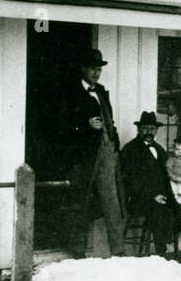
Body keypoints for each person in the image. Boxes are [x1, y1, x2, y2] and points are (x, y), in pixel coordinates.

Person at [57, 48, 127, 257]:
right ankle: (77, 250)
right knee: (81, 202)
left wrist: (113, 141)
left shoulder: (102, 91)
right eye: (92, 69)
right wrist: (84, 125)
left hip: (106, 152)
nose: (96, 73)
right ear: (83, 70)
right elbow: (61, 127)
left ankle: (118, 250)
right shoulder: (71, 93)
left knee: (112, 202)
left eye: (99, 69)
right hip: (84, 155)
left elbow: (109, 119)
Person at [118, 111, 172, 255]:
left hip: (161, 196)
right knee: (160, 210)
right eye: (145, 128)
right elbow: (131, 181)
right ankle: (162, 252)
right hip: (138, 199)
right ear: (139, 129)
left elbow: (166, 176)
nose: (149, 132)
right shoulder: (130, 149)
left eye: (153, 129)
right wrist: (153, 196)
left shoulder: (159, 149)